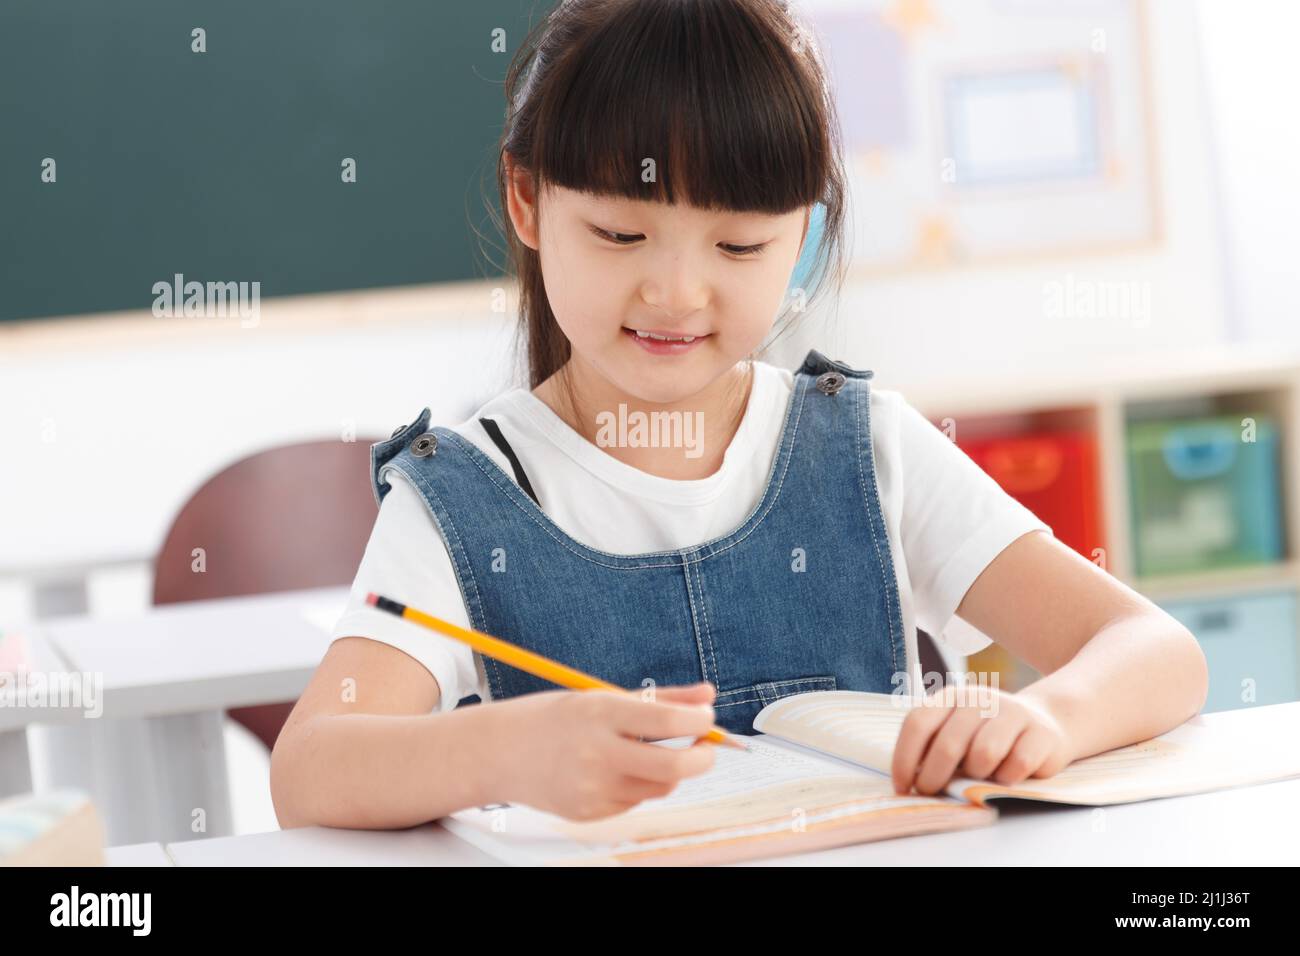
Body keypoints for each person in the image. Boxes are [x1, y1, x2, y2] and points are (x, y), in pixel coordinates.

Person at [270, 0, 1207, 830]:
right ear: (527, 199)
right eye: (620, 233)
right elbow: (311, 769)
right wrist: (503, 752)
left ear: (801, 232)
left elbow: (1154, 650)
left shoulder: (866, 445)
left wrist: (1043, 719)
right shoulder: (462, 497)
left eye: (739, 244)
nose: (677, 292)